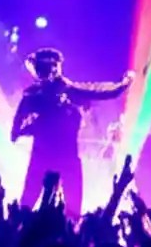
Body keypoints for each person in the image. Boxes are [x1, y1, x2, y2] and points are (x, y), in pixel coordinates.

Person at [12, 47, 133, 213]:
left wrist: (123, 85)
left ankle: (54, 230)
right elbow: (15, 131)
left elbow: (102, 92)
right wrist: (35, 125)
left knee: (68, 209)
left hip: (60, 158)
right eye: (45, 67)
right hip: (49, 158)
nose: (49, 71)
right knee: (33, 205)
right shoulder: (34, 96)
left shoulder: (59, 92)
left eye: (50, 67)